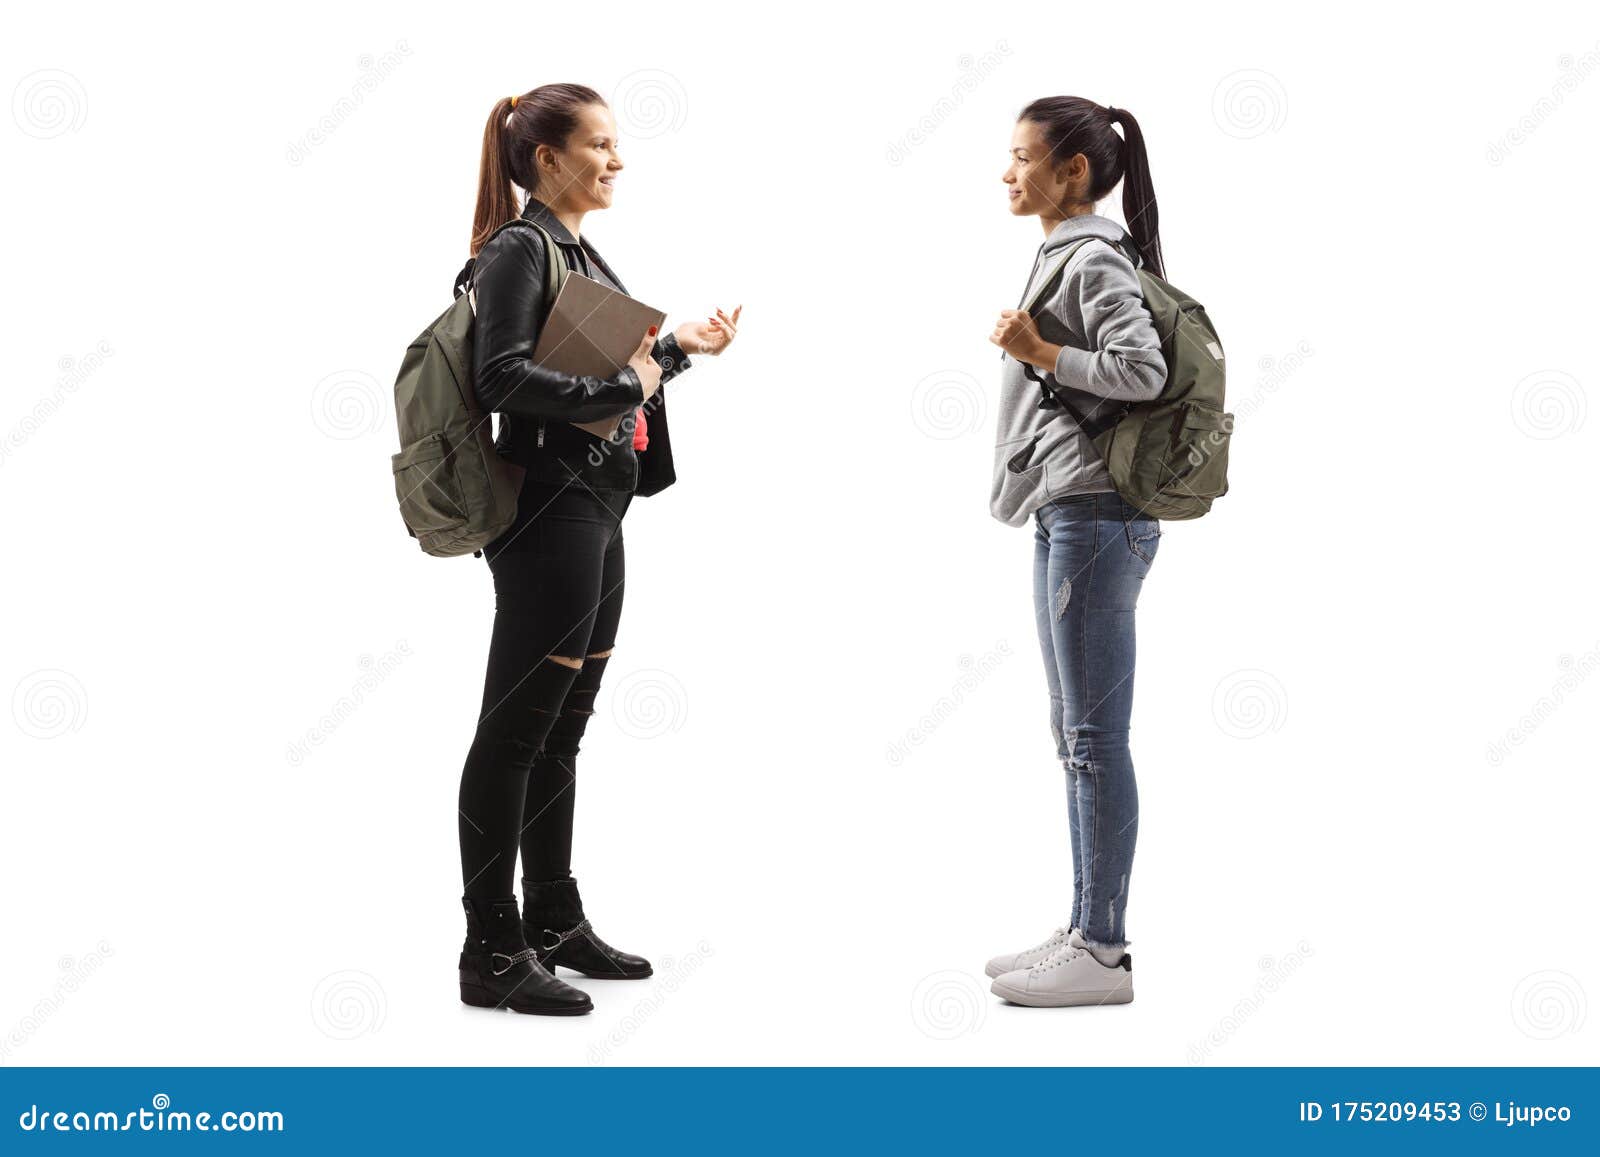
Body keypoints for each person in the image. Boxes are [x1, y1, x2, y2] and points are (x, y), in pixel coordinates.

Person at [454, 83, 740, 1015]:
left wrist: (679, 350)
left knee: (563, 724)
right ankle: (490, 947)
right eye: (601, 144)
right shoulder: (517, 250)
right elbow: (503, 378)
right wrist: (640, 370)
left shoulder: (577, 250)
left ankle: (552, 918)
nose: (618, 160)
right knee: (517, 728)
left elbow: (614, 377)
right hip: (549, 513)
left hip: (600, 504)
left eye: (618, 144)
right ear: (546, 159)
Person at [984, 97, 1167, 1008]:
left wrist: (1045, 352)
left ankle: (1103, 949)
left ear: (1074, 173)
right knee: (1077, 736)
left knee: (1094, 738)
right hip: (1073, 512)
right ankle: (1086, 926)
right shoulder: (1068, 250)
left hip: (1096, 517)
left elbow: (1145, 372)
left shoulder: (1091, 257)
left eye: (1021, 159)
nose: (1007, 174)